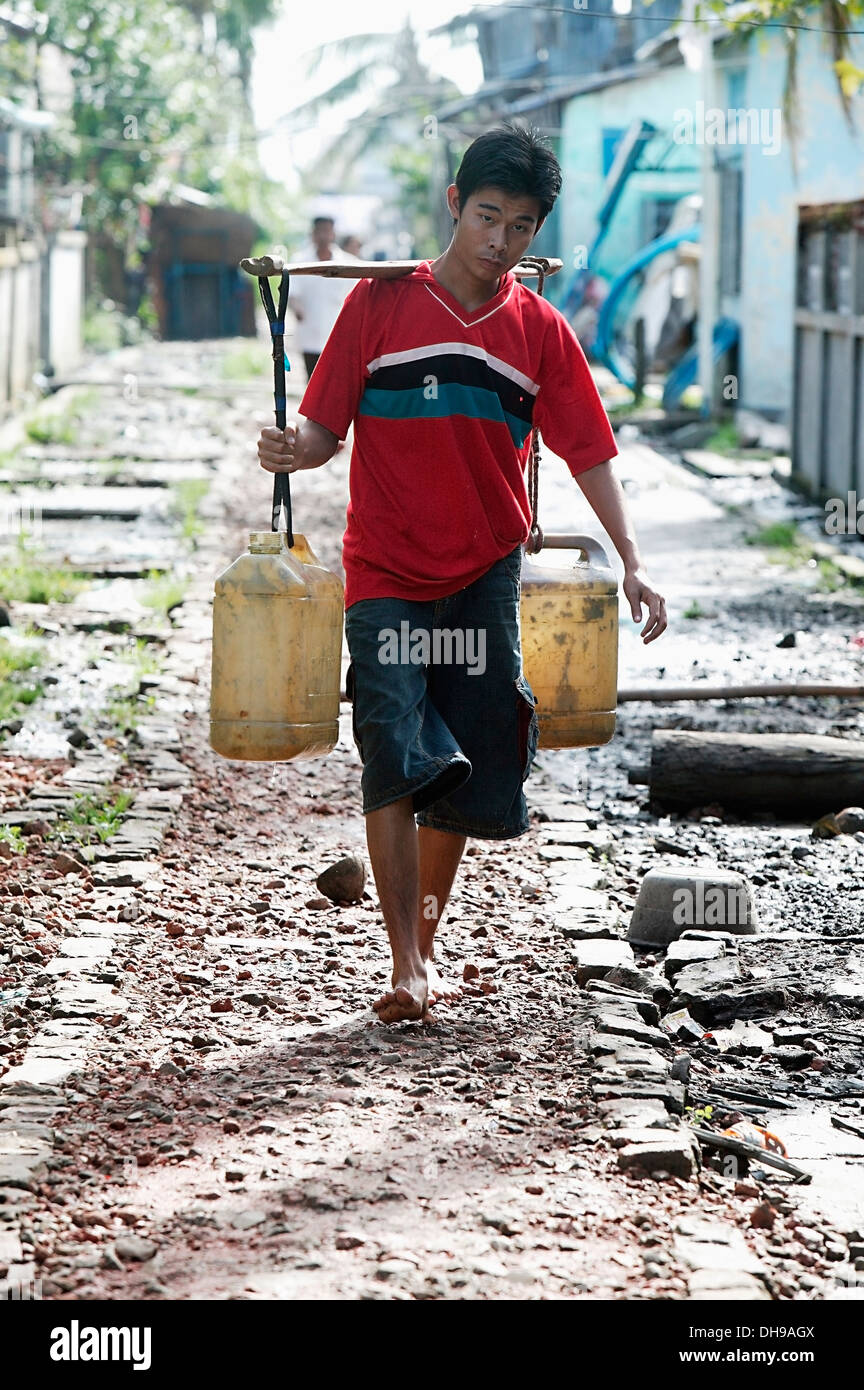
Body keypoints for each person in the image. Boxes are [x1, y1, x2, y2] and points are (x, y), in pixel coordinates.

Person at [258, 125, 667, 1024]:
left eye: (521, 226)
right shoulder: (377, 307)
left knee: (467, 764)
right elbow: (326, 432)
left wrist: (631, 559)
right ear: (454, 205)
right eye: (487, 217)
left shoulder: (540, 331)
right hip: (385, 568)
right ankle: (405, 961)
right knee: (394, 751)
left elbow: (590, 450)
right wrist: (296, 449)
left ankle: (429, 947)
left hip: (484, 571)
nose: (500, 242)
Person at [289, 215, 361, 380]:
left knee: (338, 381)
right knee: (313, 380)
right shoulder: (300, 262)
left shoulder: (349, 263)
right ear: (313, 234)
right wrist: (297, 309)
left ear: (333, 234)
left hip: (339, 334)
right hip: (310, 333)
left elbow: (359, 297)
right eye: (319, 231)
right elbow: (292, 294)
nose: (323, 235)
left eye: (326, 231)